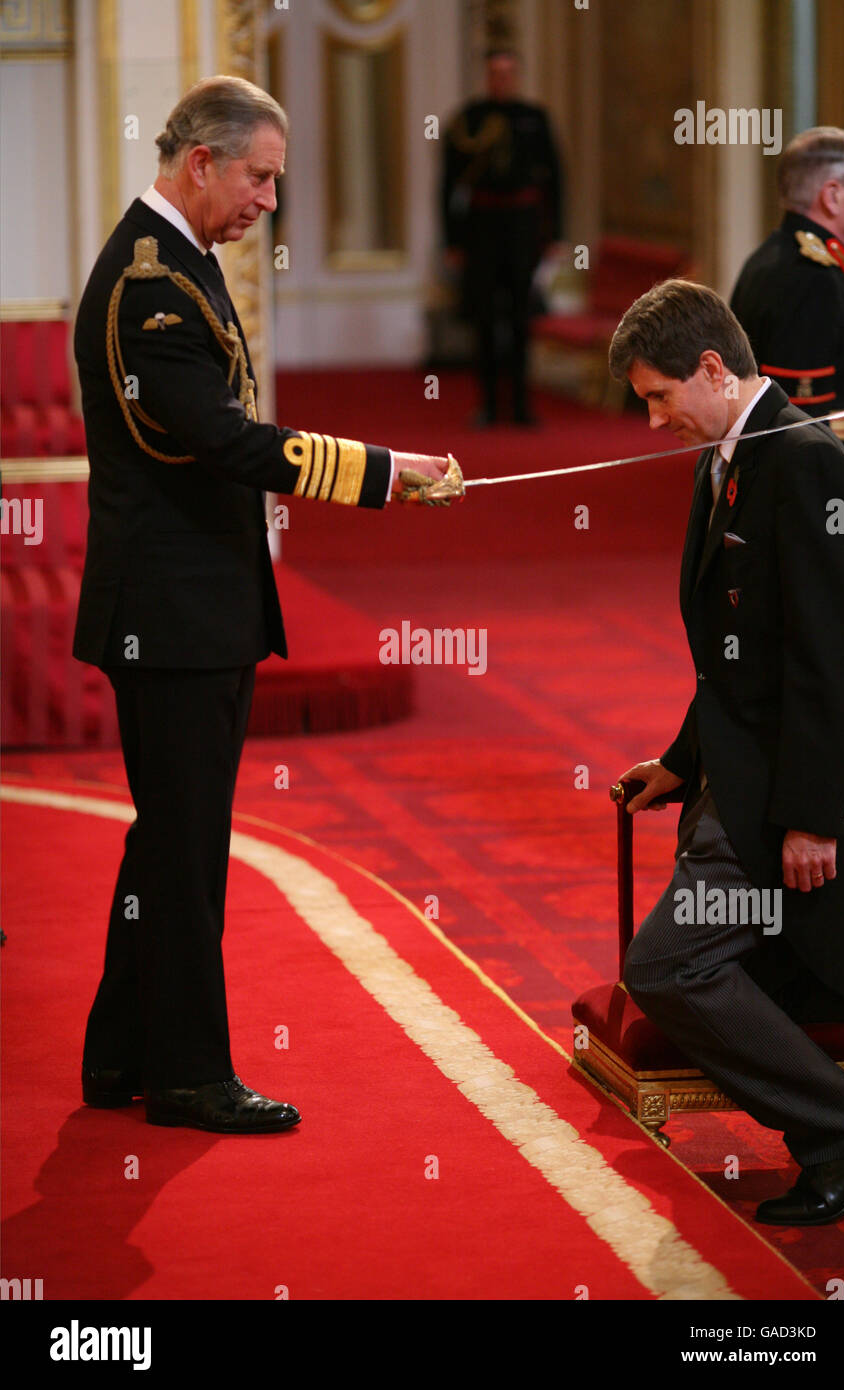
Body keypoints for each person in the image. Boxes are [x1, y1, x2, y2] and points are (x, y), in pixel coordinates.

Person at [74, 75, 461, 1135]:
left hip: (185, 601)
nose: (267, 202)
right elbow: (222, 441)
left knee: (169, 839)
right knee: (188, 847)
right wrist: (381, 472)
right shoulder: (150, 286)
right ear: (199, 161)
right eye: (258, 177)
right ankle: (190, 1074)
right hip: (174, 609)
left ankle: (118, 1054)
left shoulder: (180, 264)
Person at [608, 279, 844, 1226]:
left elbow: (835, 663)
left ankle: (842, 1129)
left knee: (668, 968)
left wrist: (811, 817)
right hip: (732, 781)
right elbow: (735, 660)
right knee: (687, 968)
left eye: (659, 395)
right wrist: (679, 759)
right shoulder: (725, 458)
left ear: (712, 369)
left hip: (782, 807)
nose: (653, 418)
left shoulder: (805, 463)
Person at [730, 126, 844, 476]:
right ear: (832, 196)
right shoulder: (810, 278)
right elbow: (803, 426)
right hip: (826, 486)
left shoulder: (776, 255)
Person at [441, 48, 563, 427]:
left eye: (508, 72)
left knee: (522, 316)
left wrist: (555, 234)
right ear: (486, 76)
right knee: (485, 319)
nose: (502, 79)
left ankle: (523, 405)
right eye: (495, 73)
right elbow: (448, 186)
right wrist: (453, 241)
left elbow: (556, 180)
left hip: (523, 226)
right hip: (483, 226)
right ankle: (490, 405)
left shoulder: (535, 118)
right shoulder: (468, 119)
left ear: (518, 76)